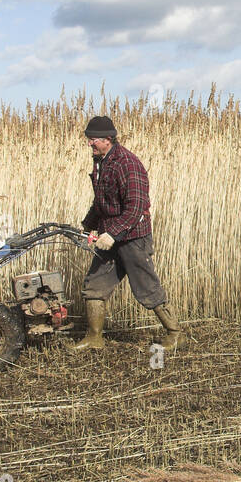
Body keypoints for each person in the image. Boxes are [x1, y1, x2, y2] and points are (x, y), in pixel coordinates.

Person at [74, 115, 184, 351]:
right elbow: (101, 203)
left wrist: (112, 234)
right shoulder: (101, 162)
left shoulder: (128, 163)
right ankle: (94, 338)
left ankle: (175, 333)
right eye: (88, 140)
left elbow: (137, 207)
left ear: (108, 139)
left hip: (133, 238)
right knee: (94, 286)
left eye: (93, 140)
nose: (89, 144)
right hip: (109, 238)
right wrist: (87, 225)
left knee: (146, 287)